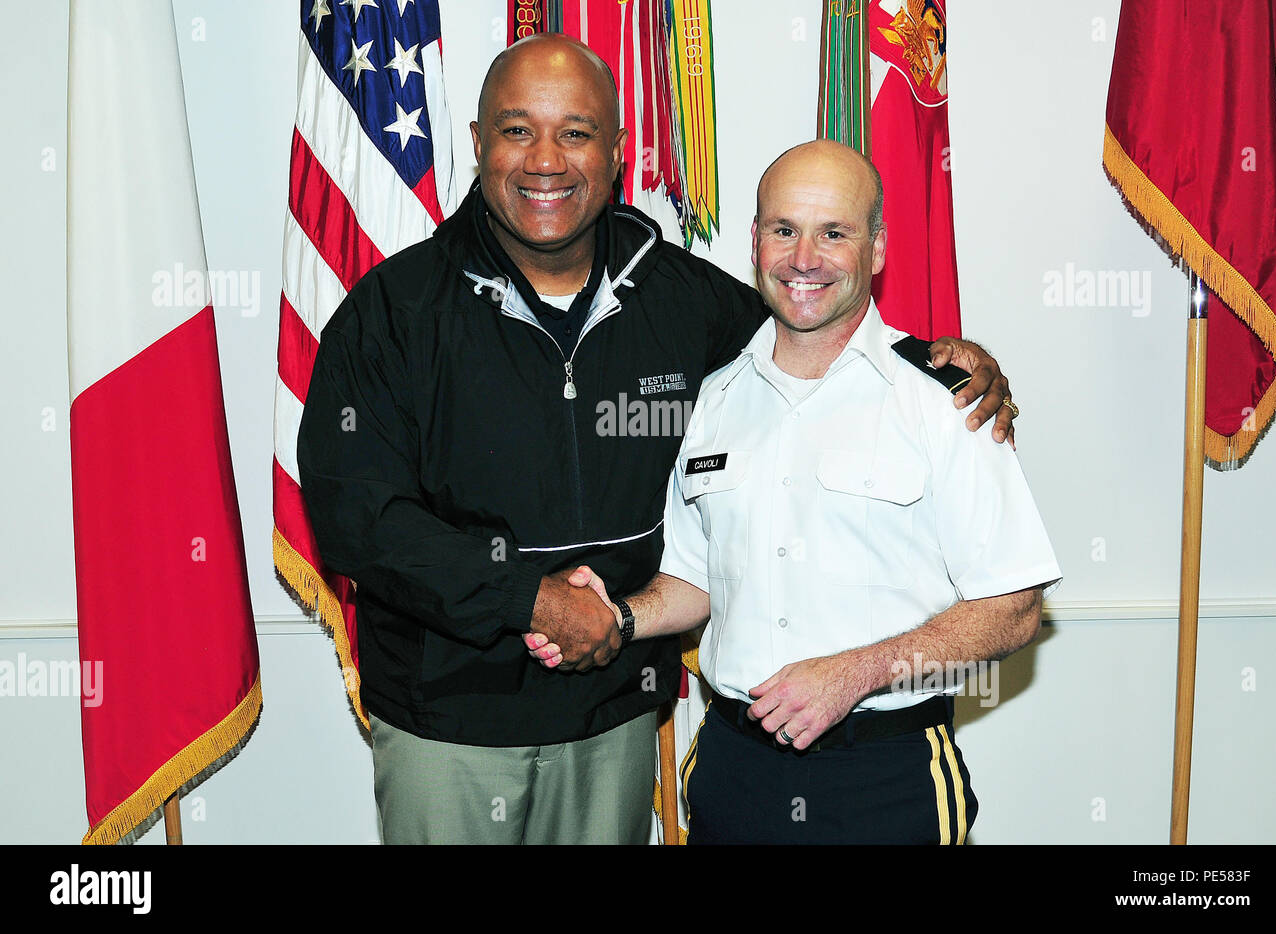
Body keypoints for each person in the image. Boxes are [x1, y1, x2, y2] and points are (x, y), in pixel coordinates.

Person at [298, 34, 1018, 845]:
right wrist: (526, 599)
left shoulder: (681, 299)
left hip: (614, 723)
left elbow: (815, 323)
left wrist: (937, 359)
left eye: (575, 132)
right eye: (516, 129)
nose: (546, 160)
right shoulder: (392, 312)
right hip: (447, 730)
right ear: (476, 144)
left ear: (614, 152)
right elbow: (357, 517)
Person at [527, 140, 1061, 844]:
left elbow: (1015, 609)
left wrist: (857, 674)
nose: (804, 257)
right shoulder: (716, 397)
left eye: (833, 233)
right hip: (733, 768)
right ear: (755, 243)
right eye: (784, 230)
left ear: (876, 249)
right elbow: (697, 579)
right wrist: (616, 617)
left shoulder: (944, 401)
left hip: (885, 777)